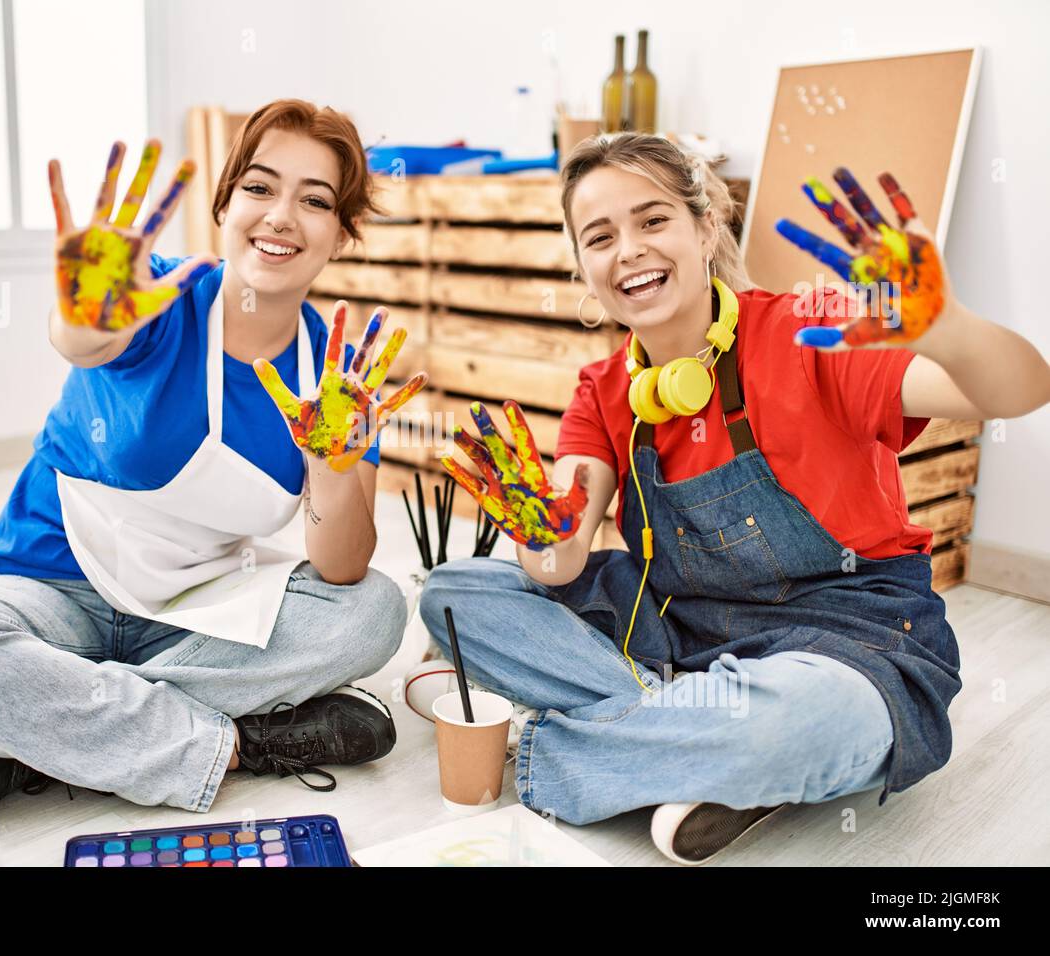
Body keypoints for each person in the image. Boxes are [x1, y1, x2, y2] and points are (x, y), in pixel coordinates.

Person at [412, 132, 1050, 864]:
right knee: (455, 593)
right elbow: (556, 566)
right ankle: (698, 746)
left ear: (705, 226)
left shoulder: (807, 337)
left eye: (652, 221)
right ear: (583, 266)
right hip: (673, 631)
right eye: (600, 236)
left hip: (842, 642)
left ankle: (554, 741)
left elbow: (1023, 388)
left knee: (802, 725)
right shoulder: (604, 390)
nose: (629, 250)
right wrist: (537, 529)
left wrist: (950, 329)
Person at [0, 99, 427, 812]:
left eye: (315, 200)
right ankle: (234, 742)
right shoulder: (156, 296)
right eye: (259, 188)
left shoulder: (336, 377)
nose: (281, 216)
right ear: (225, 204)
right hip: (51, 590)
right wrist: (82, 319)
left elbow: (342, 568)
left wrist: (329, 461)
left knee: (376, 611)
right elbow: (85, 339)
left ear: (341, 234)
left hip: (195, 612)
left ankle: (49, 732)